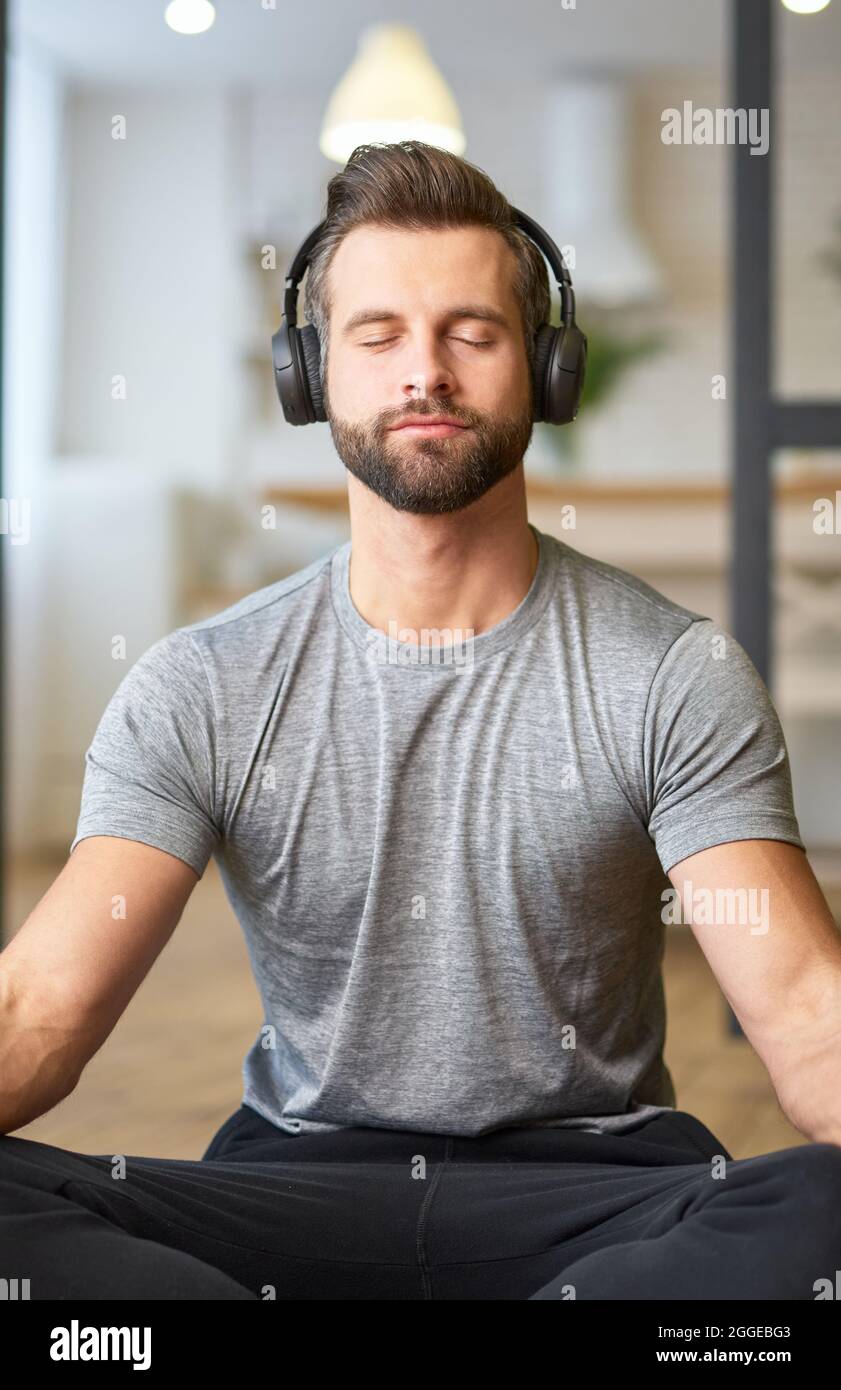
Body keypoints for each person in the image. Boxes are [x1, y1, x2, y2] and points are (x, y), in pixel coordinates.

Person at [2, 141, 840, 1302]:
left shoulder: (672, 672)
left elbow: (805, 1012)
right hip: (296, 1188)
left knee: (821, 1209)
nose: (424, 374)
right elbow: (40, 1009)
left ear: (545, 370)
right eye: (378, 334)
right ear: (311, 375)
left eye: (470, 332)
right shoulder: (202, 683)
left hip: (597, 1196)